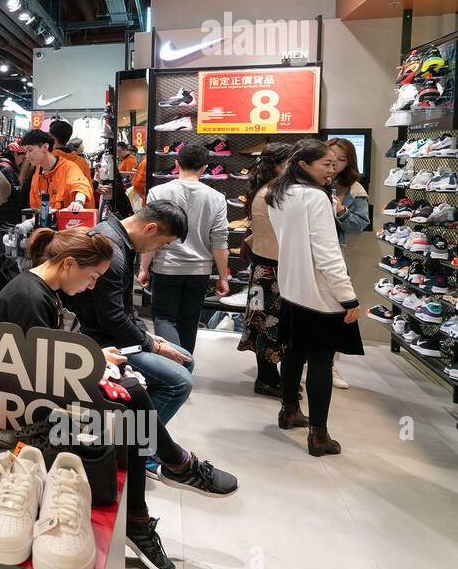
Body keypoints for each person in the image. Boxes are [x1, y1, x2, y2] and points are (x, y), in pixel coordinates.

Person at [0, 226, 239, 569]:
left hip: (36, 392)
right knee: (132, 397)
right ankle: (171, 472)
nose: (92, 286)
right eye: (92, 277)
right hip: (24, 405)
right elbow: (37, 375)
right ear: (69, 264)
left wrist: (95, 358)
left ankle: (152, 499)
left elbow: (48, 355)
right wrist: (93, 366)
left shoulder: (41, 290)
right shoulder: (31, 297)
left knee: (131, 399)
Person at [65, 201, 194, 440]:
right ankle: (139, 448)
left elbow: (123, 309)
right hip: (101, 342)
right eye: (162, 244)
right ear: (150, 228)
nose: (158, 249)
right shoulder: (111, 249)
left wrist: (147, 336)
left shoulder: (120, 240)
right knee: (180, 381)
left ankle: (139, 437)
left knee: (185, 359)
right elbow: (113, 318)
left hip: (112, 334)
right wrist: (151, 345)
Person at [267, 140, 363, 457]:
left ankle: (288, 410)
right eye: (326, 164)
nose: (332, 170)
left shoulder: (278, 193)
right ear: (304, 165)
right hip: (320, 291)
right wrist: (348, 297)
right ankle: (319, 436)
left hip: (292, 286)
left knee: (294, 350)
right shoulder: (316, 197)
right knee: (321, 359)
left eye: (335, 164)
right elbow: (327, 252)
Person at [138, 143, 229, 355]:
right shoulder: (216, 198)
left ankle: (172, 365)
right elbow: (219, 241)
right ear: (204, 168)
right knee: (190, 320)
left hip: (166, 267)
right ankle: (184, 364)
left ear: (176, 164)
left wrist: (143, 267)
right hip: (199, 270)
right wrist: (223, 277)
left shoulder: (158, 192)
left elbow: (151, 235)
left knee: (164, 318)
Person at [237, 143, 294, 398]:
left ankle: (269, 377)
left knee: (261, 320)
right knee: (268, 323)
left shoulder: (264, 189)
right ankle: (267, 379)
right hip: (272, 270)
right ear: (279, 164)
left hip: (262, 269)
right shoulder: (275, 192)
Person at [325, 136, 370, 389]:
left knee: (335, 308)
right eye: (331, 157)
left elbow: (358, 225)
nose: (335, 164)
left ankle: (328, 363)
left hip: (334, 252)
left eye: (342, 159)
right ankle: (299, 360)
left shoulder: (354, 189)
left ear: (349, 162)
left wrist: (341, 210)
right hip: (302, 250)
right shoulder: (310, 181)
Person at [18, 129, 89, 212]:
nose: (27, 156)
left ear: (45, 147)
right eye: (26, 152)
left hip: (67, 219)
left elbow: (80, 186)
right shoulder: (36, 174)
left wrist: (78, 201)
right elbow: (34, 205)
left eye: (30, 150)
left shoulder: (68, 167)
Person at [49, 119, 94, 199]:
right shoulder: (82, 162)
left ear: (52, 138)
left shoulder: (48, 161)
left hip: (52, 205)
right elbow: (88, 190)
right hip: (78, 205)